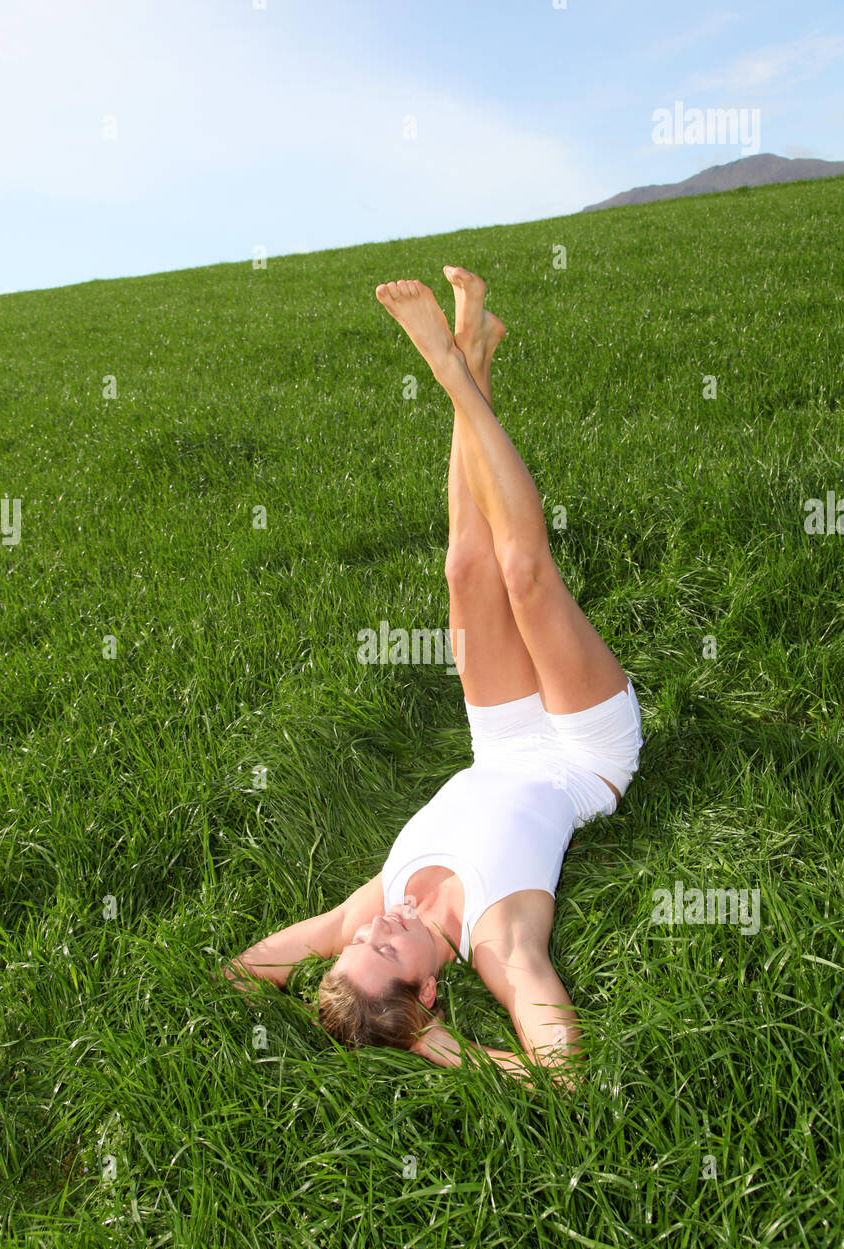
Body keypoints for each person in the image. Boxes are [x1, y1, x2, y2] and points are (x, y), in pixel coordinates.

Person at [223, 267, 642, 1089]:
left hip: (503, 740)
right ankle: (455, 369)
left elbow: (247, 969)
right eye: (383, 948)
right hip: (583, 755)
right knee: (523, 570)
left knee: (463, 566)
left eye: (355, 943)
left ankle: (475, 354)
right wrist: (430, 1044)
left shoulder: (373, 905)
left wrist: (352, 995)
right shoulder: (499, 940)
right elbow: (562, 1073)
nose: (373, 924)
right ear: (426, 984)